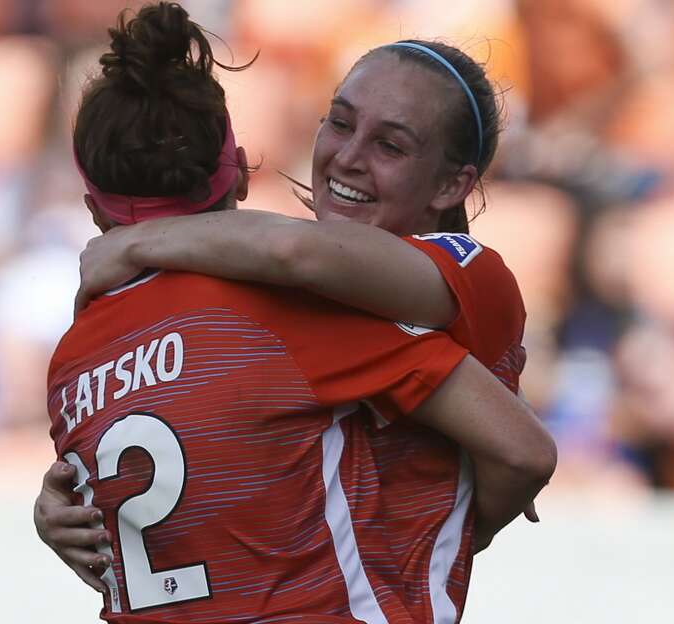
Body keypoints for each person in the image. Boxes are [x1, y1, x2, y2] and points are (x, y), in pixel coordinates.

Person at [43, 4, 555, 622]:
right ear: (234, 175)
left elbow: (293, 252)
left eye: (390, 144)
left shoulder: (468, 271)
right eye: (338, 123)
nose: (348, 157)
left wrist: (136, 241)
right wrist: (65, 500)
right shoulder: (285, 310)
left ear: (451, 186)